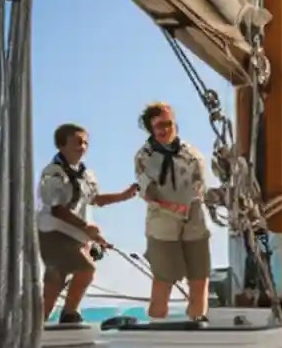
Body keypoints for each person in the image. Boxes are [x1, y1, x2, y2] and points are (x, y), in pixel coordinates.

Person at [36, 123, 138, 323]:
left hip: (75, 235)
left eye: (85, 143)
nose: (82, 147)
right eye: (77, 142)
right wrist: (85, 228)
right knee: (85, 269)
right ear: (61, 145)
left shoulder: (86, 174)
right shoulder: (52, 173)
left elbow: (95, 200)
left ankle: (39, 323)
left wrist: (123, 196)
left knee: (55, 282)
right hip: (54, 232)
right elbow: (57, 208)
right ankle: (69, 314)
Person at [134, 102, 212, 321]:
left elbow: (200, 185)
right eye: (158, 126)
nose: (164, 129)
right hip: (163, 219)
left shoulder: (191, 153)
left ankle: (197, 321)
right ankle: (157, 326)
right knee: (164, 278)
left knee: (200, 275)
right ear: (151, 128)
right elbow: (147, 190)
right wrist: (171, 205)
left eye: (168, 124)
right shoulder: (144, 156)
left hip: (193, 217)